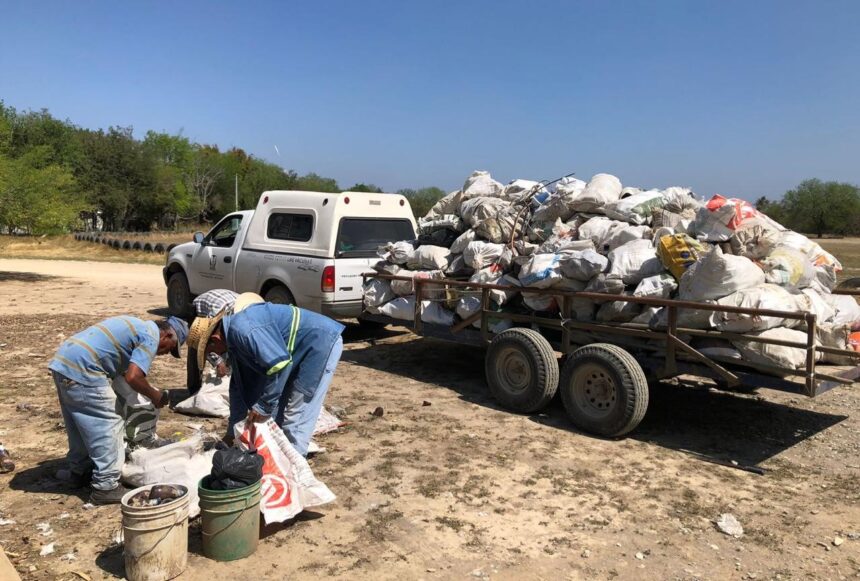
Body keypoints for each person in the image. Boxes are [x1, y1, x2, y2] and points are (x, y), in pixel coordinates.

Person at [48, 316, 188, 504]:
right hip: (85, 369)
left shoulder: (136, 325)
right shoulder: (151, 336)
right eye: (170, 348)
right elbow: (133, 377)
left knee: (80, 422)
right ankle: (105, 487)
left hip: (64, 364)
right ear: (168, 334)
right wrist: (155, 396)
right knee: (108, 423)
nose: (163, 354)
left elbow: (120, 367)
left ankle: (79, 472)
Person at [189, 293, 343, 456]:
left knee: (296, 416)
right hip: (295, 352)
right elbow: (238, 386)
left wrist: (263, 406)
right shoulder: (234, 341)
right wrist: (232, 430)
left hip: (319, 343)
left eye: (211, 351)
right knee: (276, 414)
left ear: (214, 339)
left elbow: (280, 366)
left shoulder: (244, 331)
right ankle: (280, 458)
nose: (215, 355)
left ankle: (295, 471)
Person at [186, 289, 239, 395]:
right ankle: (194, 388)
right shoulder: (212, 319)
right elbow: (205, 342)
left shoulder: (238, 319)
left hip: (231, 302)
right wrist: (218, 362)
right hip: (201, 308)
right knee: (195, 344)